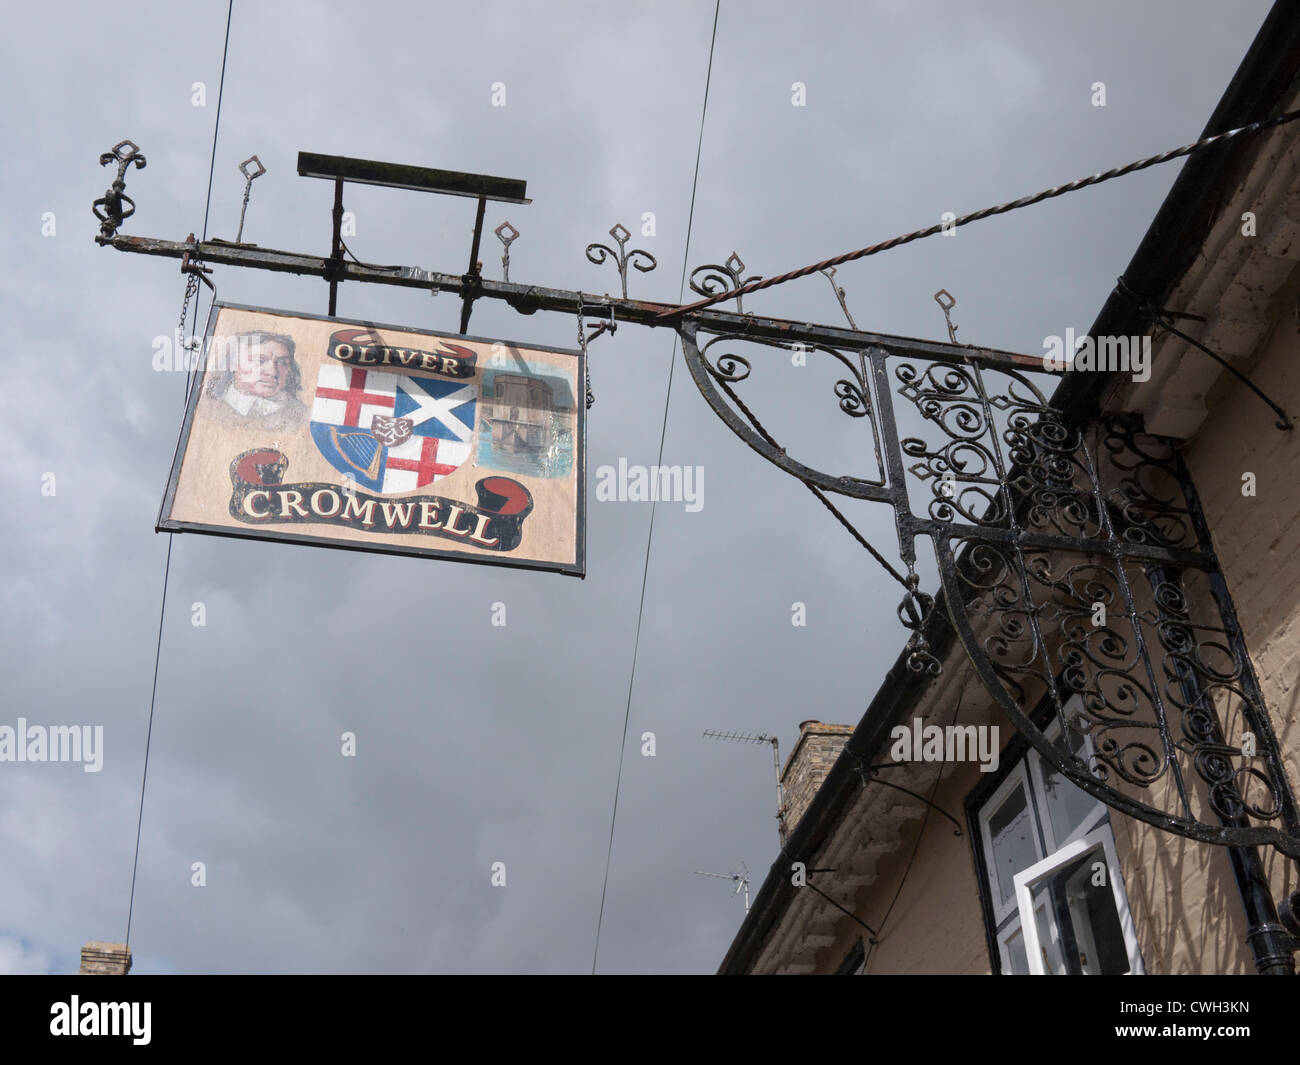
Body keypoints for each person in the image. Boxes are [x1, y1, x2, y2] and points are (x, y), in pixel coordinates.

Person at [205, 331, 307, 432]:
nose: (272, 372)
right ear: (233, 363)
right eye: (259, 360)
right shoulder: (206, 409)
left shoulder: (303, 415)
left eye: (282, 363)